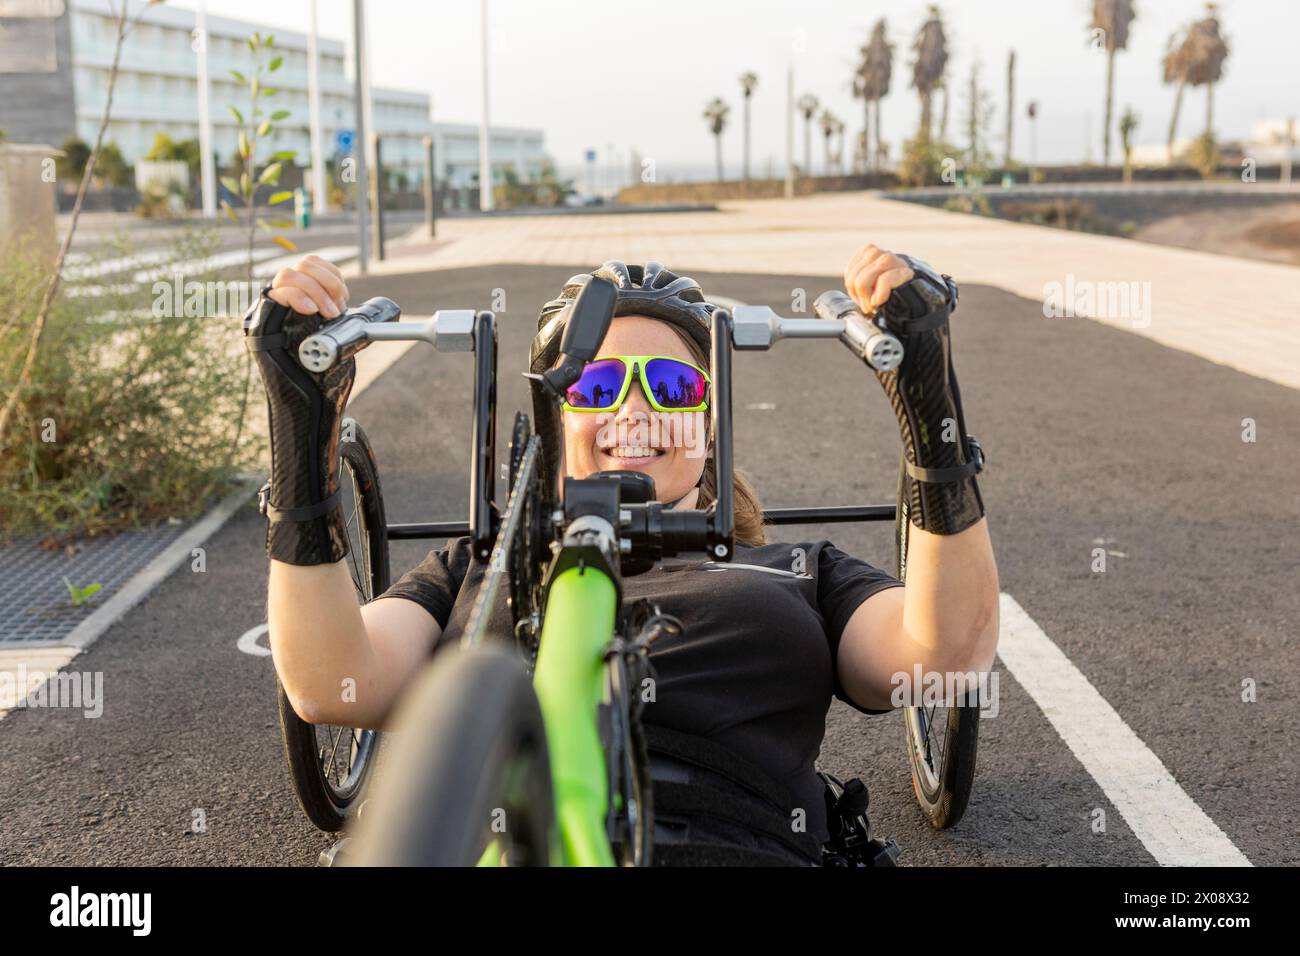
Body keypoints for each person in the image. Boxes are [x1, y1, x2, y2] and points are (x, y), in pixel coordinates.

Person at [243, 248, 999, 865]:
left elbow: (943, 653)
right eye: (597, 384)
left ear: (708, 427)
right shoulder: (479, 564)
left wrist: (930, 407)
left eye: (671, 387)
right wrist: (300, 443)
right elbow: (329, 683)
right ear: (555, 416)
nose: (633, 411)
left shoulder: (797, 571)